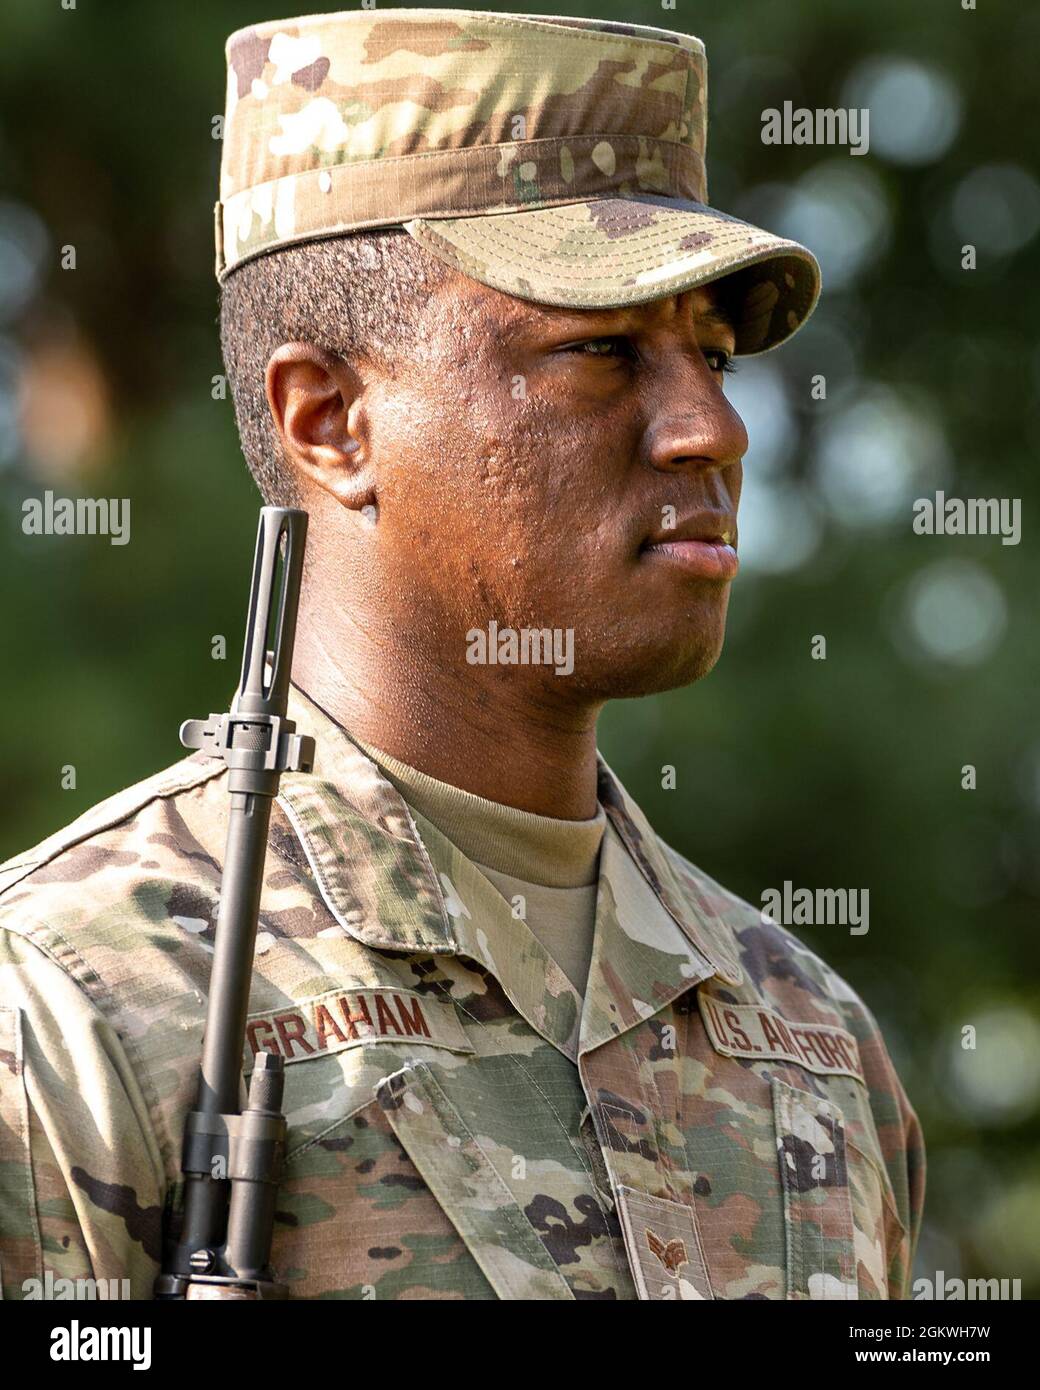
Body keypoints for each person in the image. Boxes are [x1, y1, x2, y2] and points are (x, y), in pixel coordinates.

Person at [0, 8, 923, 1300]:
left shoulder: (813, 1044)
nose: (715, 427)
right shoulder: (73, 1014)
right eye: (600, 352)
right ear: (329, 422)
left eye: (709, 354)